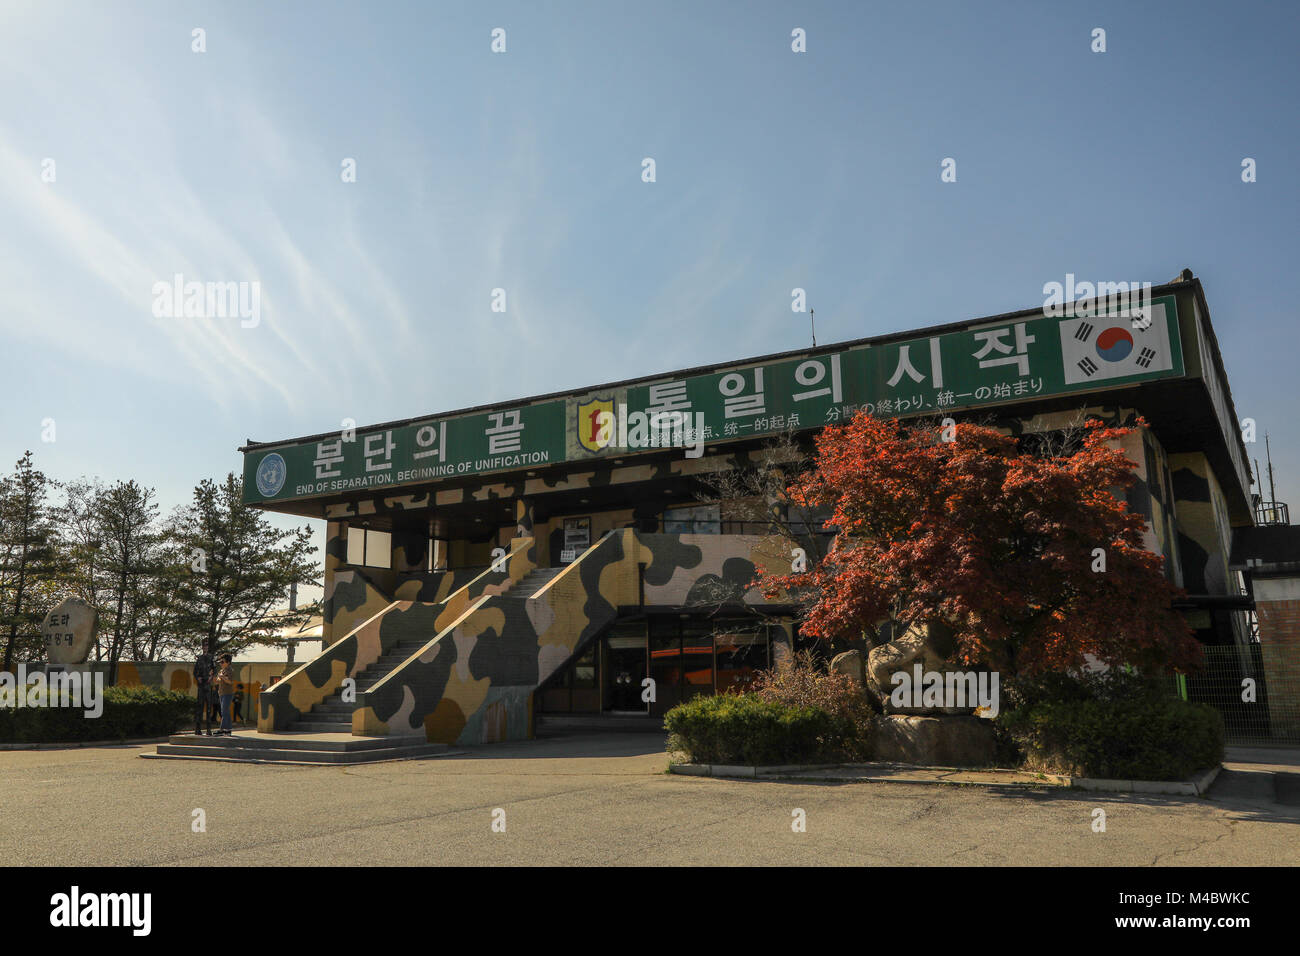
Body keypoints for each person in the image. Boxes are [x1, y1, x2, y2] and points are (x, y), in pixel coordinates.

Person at [192, 640, 215, 736]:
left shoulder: (211, 658)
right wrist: (198, 677)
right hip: (201, 686)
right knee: (199, 707)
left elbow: (214, 669)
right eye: (204, 646)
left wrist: (211, 677)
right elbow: (195, 671)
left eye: (206, 646)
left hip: (208, 686)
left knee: (209, 708)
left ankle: (209, 729)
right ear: (202, 647)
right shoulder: (199, 659)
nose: (205, 647)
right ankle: (198, 729)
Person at [214, 653, 236, 736]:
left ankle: (223, 729)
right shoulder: (221, 670)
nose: (220, 663)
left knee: (224, 711)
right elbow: (218, 681)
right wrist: (215, 678)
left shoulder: (229, 670)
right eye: (220, 662)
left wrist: (222, 677)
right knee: (224, 711)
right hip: (222, 693)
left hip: (228, 693)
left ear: (228, 662)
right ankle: (227, 729)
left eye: (222, 662)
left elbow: (230, 681)